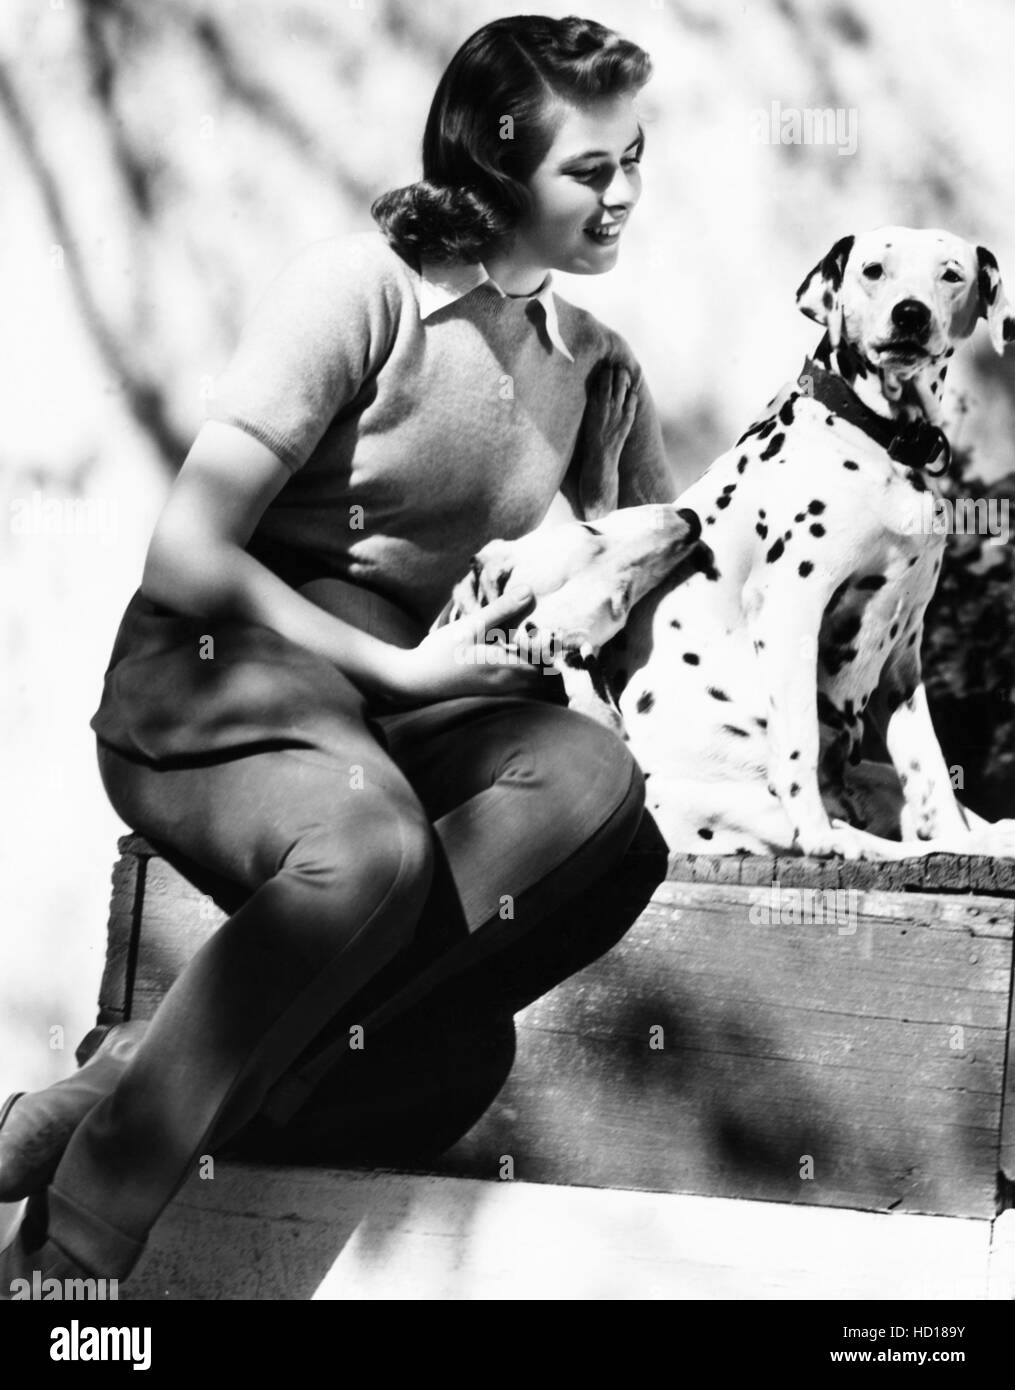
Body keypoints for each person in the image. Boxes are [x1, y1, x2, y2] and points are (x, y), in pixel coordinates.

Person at [0, 13, 677, 1291]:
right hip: (210, 689)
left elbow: (652, 586)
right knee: (371, 848)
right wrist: (412, 673)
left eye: (636, 156)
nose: (626, 191)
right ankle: (71, 1256)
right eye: (592, 169)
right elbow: (186, 554)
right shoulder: (358, 292)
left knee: (596, 800)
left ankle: (122, 1077)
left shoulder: (579, 361)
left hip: (366, 727)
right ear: (493, 161)